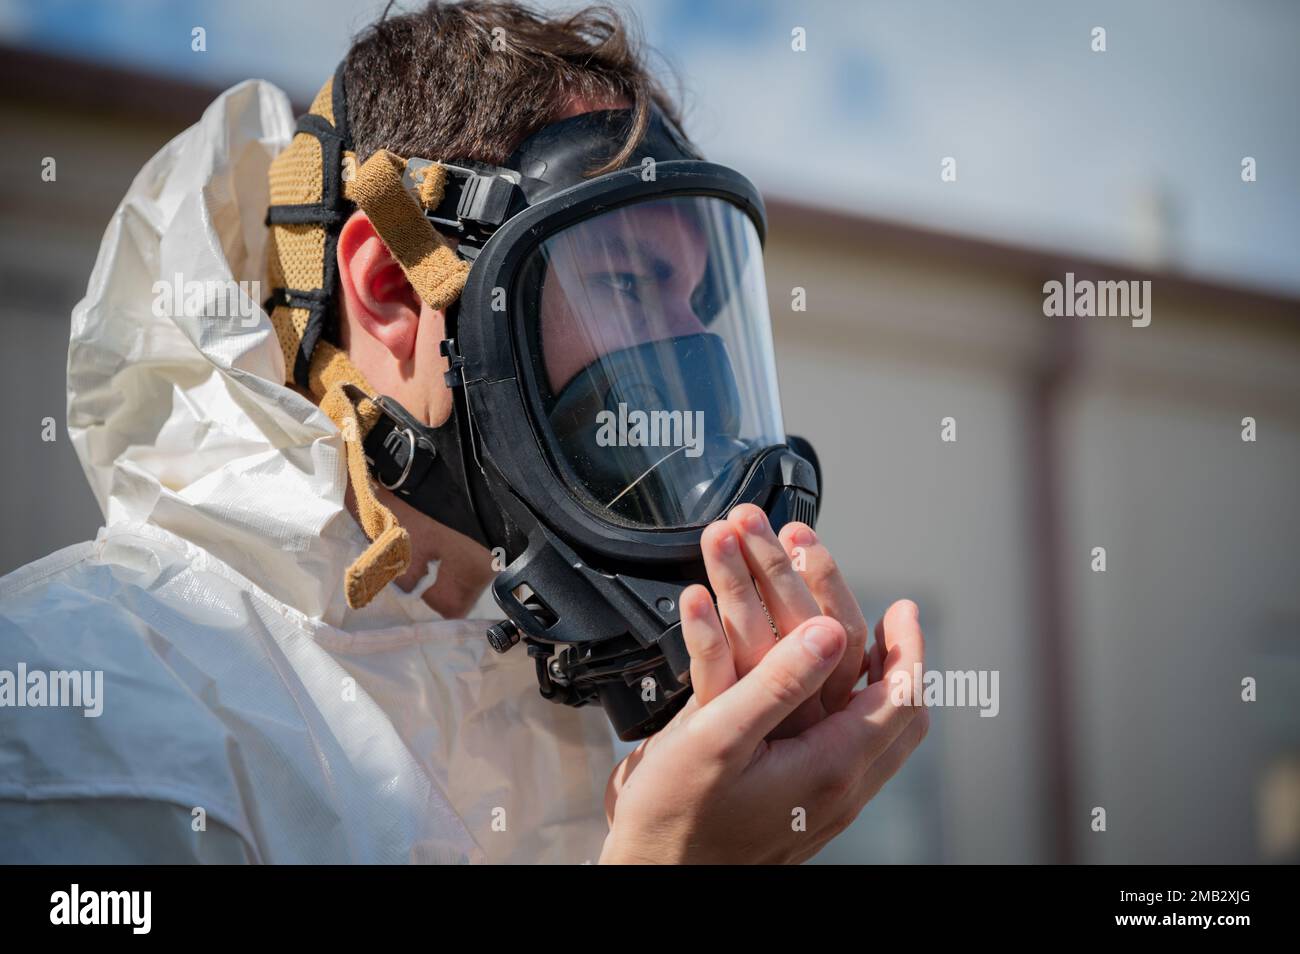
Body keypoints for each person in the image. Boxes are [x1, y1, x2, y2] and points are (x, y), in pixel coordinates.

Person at [0, 0, 927, 865]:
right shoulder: (85, 712)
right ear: (395, 289)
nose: (685, 364)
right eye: (630, 285)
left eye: (695, 303)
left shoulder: (574, 724)